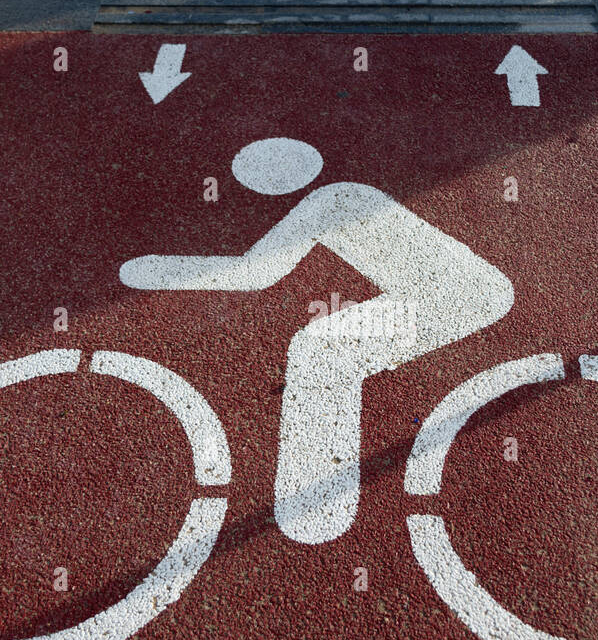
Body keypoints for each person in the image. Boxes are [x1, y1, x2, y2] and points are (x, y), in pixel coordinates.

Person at [120, 137, 514, 545]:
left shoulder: (331, 202)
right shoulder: (340, 195)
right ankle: (319, 492)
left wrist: (156, 271)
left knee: (320, 347)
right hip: (462, 292)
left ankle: (319, 504)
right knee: (323, 341)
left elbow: (258, 273)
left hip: (457, 300)